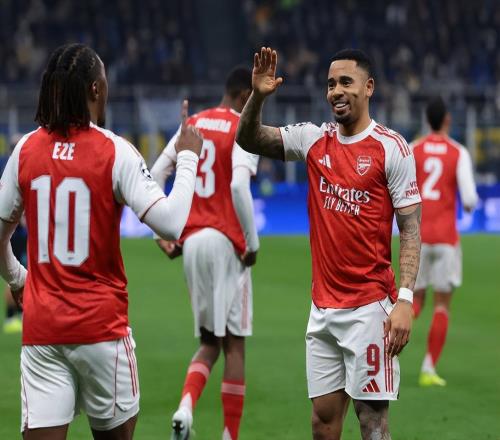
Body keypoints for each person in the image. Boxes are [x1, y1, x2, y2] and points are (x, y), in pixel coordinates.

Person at [0, 43, 203, 440]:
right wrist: (188, 157)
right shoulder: (113, 151)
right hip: (101, 331)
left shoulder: (26, 149)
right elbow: (171, 223)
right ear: (96, 89)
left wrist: (19, 279)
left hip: (43, 331)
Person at [236, 47, 422, 440]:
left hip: (370, 309)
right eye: (330, 84)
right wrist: (258, 96)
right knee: (322, 424)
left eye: (345, 82)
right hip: (322, 310)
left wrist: (405, 300)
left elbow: (410, 229)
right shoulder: (313, 139)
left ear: (368, 87)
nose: (335, 91)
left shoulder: (391, 148)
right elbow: (248, 138)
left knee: (372, 423)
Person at [151, 66, 259, 440]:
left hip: (192, 242)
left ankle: (185, 409)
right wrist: (252, 244)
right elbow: (240, 187)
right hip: (227, 244)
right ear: (245, 96)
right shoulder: (243, 128)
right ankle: (230, 434)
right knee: (235, 346)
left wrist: (161, 232)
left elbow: (156, 173)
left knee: (209, 342)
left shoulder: (193, 124)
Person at [411, 97, 478, 387]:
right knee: (441, 305)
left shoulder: (413, 149)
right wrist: (466, 206)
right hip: (446, 239)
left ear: (427, 120)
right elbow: (470, 199)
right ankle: (428, 368)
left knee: (414, 301)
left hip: (417, 238)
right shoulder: (458, 152)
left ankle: (381, 346)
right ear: (447, 120)